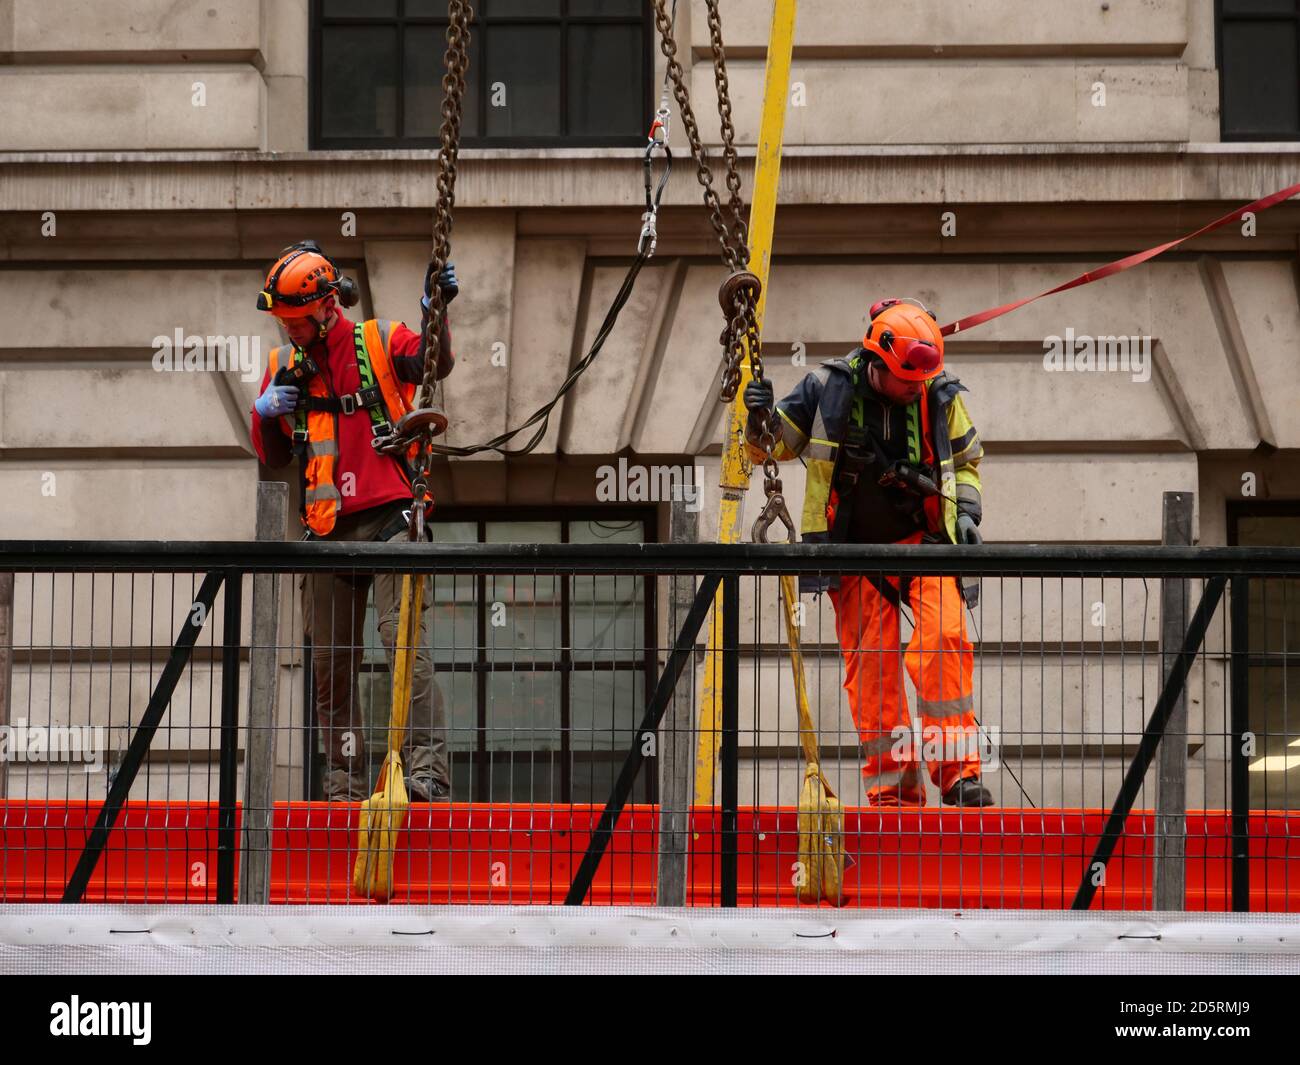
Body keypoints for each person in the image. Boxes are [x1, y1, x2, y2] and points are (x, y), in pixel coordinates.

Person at [743, 297, 994, 807]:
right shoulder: (826, 390)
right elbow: (770, 449)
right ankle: (894, 790)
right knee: (874, 670)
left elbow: (967, 461)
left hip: (925, 546)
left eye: (921, 379)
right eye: (906, 379)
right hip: (854, 553)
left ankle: (958, 775)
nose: (915, 387)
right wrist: (759, 418)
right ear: (878, 363)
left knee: (945, 638)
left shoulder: (939, 394)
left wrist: (966, 511)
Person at [250, 240, 458, 802]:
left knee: (403, 644)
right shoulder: (282, 368)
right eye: (283, 321)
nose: (289, 330)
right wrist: (265, 411)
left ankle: (427, 773)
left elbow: (435, 361)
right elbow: (272, 454)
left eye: (296, 320)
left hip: (392, 516)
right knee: (331, 666)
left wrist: (434, 309)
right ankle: (345, 781)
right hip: (326, 529)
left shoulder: (378, 340)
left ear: (326, 306)